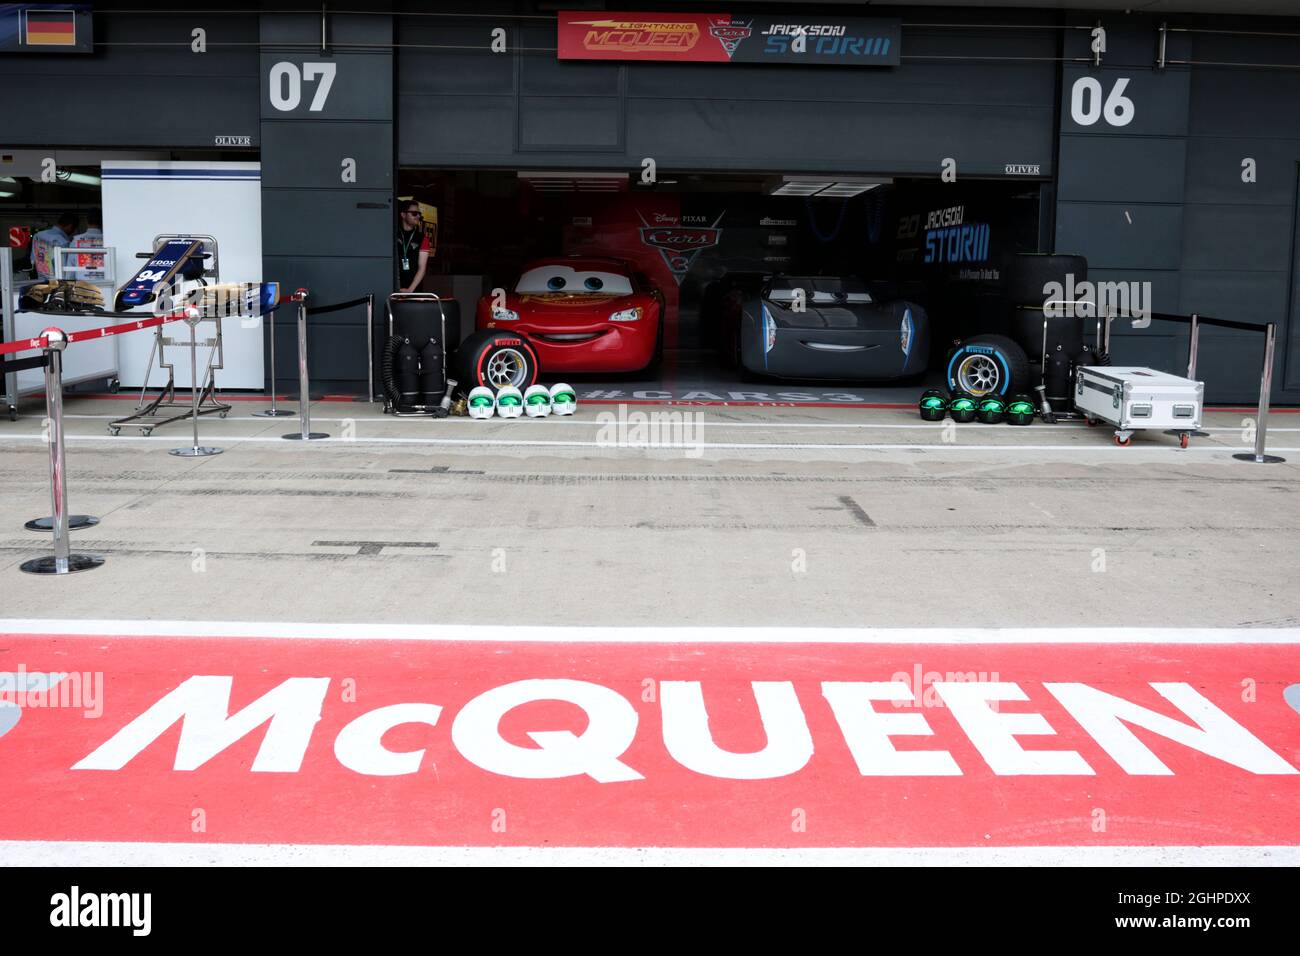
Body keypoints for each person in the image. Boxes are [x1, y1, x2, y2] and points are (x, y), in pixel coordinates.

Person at [30, 212, 76, 279]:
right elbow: (66, 268)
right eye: (73, 229)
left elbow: (33, 259)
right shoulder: (62, 241)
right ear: (70, 226)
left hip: (40, 278)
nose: (73, 232)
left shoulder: (37, 236)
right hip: (57, 282)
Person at [397, 200, 430, 292]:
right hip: (393, 289)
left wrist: (410, 289)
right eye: (414, 213)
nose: (418, 216)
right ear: (403, 215)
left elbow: (422, 268)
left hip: (414, 290)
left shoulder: (423, 238)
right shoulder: (392, 235)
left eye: (419, 214)